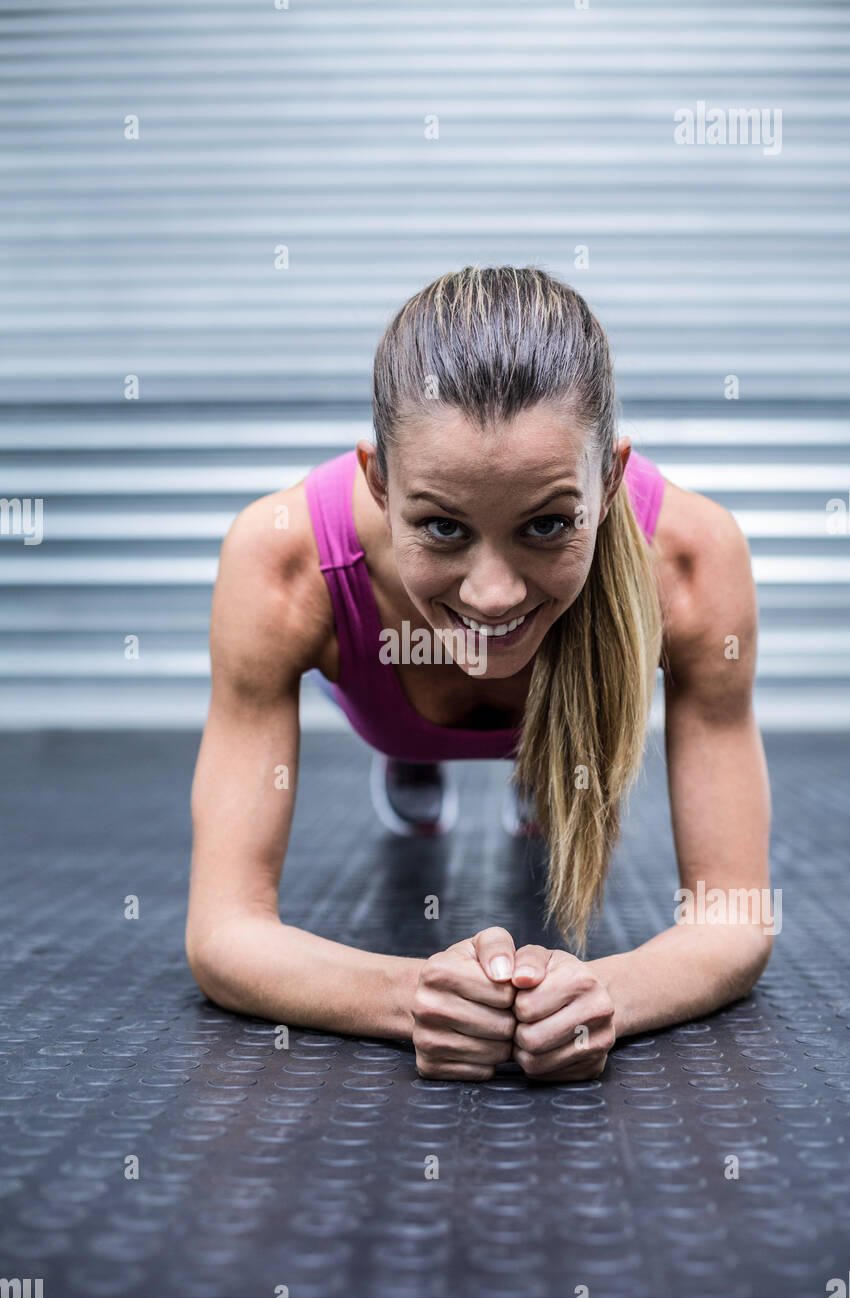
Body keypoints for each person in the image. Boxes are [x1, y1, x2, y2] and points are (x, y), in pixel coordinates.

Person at [185, 265, 773, 1083]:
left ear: (609, 481)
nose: (492, 591)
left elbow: (736, 916)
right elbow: (223, 934)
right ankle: (415, 746)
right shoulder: (282, 562)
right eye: (441, 528)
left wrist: (601, 994)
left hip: (559, 689)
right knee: (465, 643)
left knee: (533, 708)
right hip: (391, 690)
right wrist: (413, 995)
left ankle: (539, 762)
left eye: (545, 524)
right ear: (378, 481)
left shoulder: (691, 561)